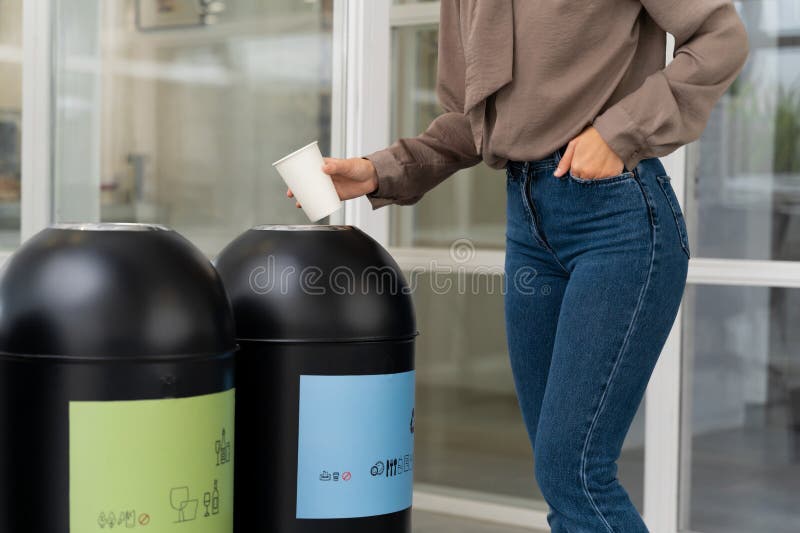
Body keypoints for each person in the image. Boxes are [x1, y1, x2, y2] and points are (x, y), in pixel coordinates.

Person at [288, 1, 749, 531]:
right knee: (559, 476)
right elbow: (472, 122)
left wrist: (620, 132)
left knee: (574, 472)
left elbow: (720, 37)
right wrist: (377, 172)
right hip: (528, 225)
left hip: (617, 218)